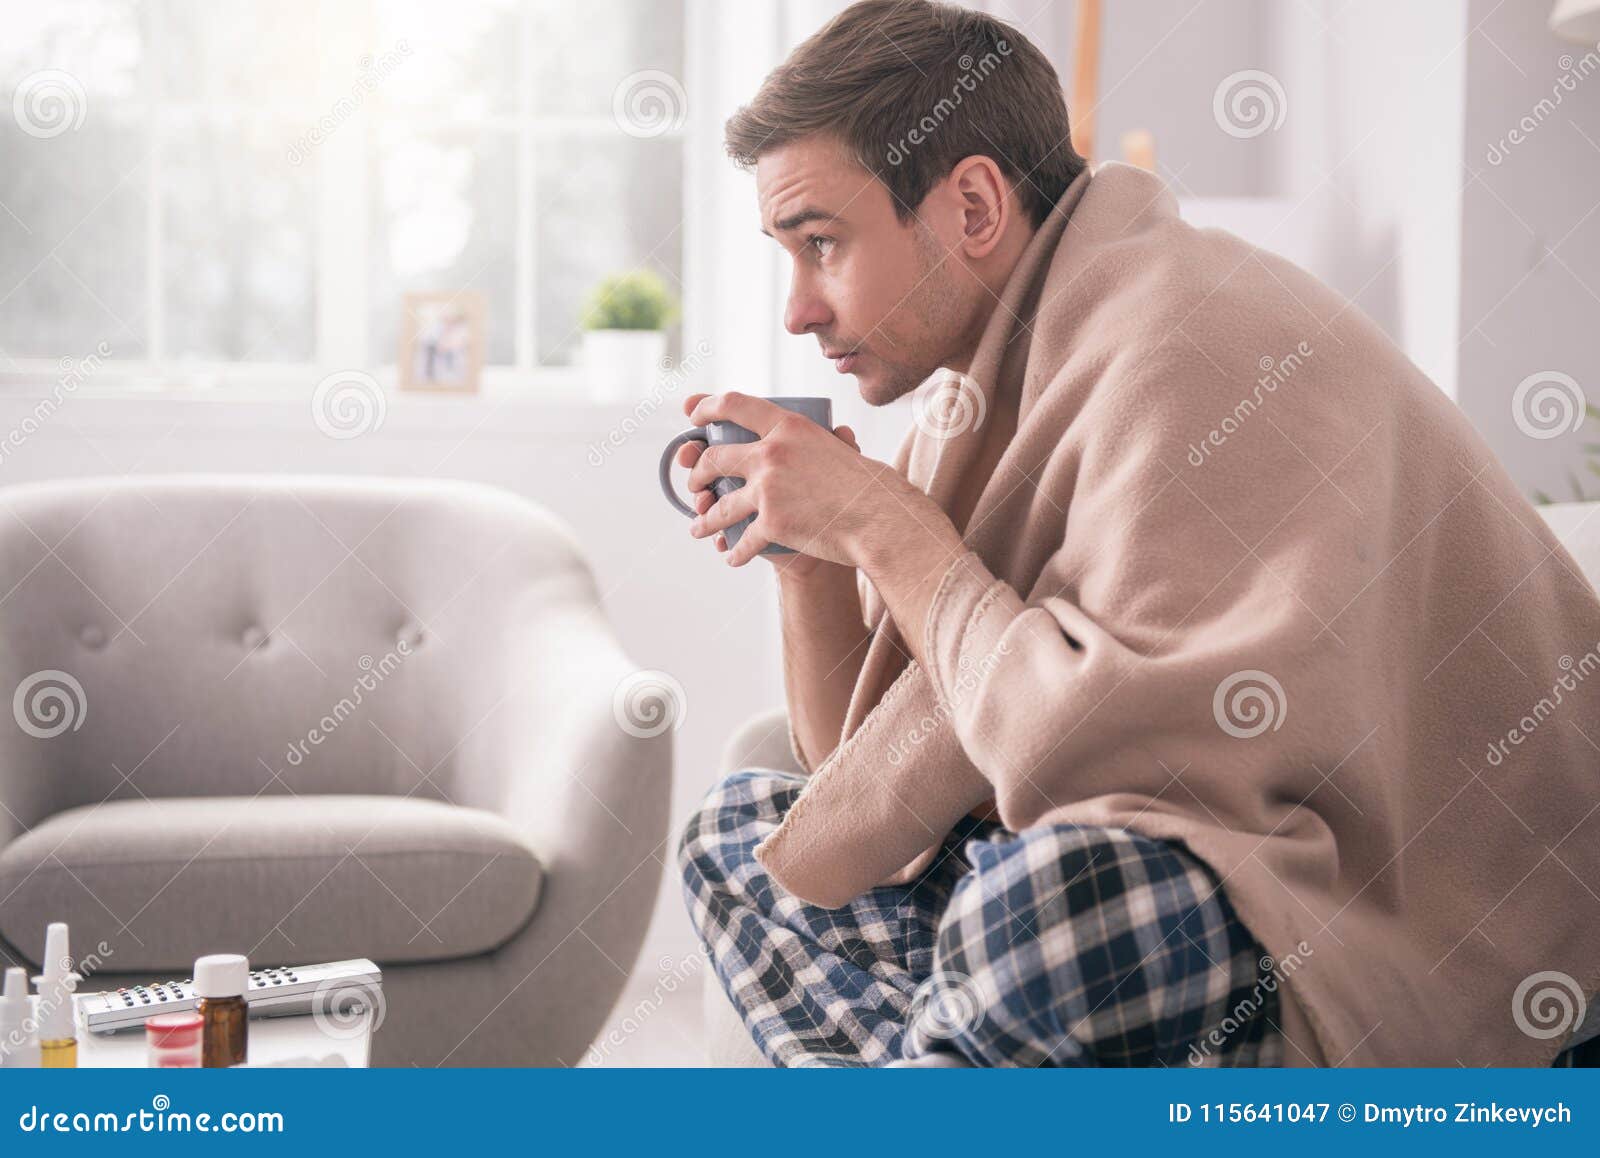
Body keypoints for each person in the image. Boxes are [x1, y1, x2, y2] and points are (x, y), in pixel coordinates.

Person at [675, 0, 1600, 1068]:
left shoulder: (1189, 339)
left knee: (1056, 901)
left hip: (1366, 917)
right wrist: (810, 563)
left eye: (821, 245)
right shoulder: (973, 405)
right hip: (1157, 908)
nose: (797, 309)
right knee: (741, 836)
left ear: (972, 206)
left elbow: (1096, 771)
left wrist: (884, 523)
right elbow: (862, 786)